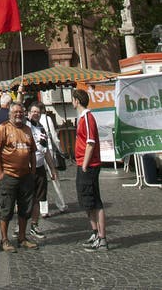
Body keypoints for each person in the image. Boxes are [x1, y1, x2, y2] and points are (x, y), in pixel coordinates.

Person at [0, 102, 38, 252]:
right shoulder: (3, 128)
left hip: (26, 175)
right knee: (7, 208)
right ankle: (4, 240)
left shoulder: (27, 130)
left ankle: (22, 238)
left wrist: (33, 171)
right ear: (10, 113)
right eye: (16, 112)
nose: (19, 114)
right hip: (9, 175)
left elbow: (32, 152)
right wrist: (0, 172)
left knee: (25, 208)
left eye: (21, 112)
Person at [72, 88, 108, 250]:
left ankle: (102, 238)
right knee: (86, 200)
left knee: (94, 201)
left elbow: (91, 142)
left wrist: (85, 164)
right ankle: (95, 232)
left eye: (72, 99)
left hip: (89, 165)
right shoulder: (81, 118)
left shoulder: (87, 117)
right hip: (82, 164)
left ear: (76, 101)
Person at [26, 103, 58, 239]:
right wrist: (20, 93)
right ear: (28, 113)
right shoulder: (25, 125)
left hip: (39, 167)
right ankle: (20, 227)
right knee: (25, 199)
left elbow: (46, 152)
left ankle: (34, 225)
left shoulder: (41, 128)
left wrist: (52, 169)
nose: (35, 114)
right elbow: (17, 105)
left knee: (39, 198)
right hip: (26, 168)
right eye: (33, 111)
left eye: (38, 112)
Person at [39, 103, 67, 215]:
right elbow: (54, 137)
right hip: (49, 150)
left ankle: (43, 209)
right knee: (55, 178)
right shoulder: (47, 118)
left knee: (41, 181)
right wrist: (60, 150)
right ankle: (61, 204)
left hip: (38, 152)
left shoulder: (30, 120)